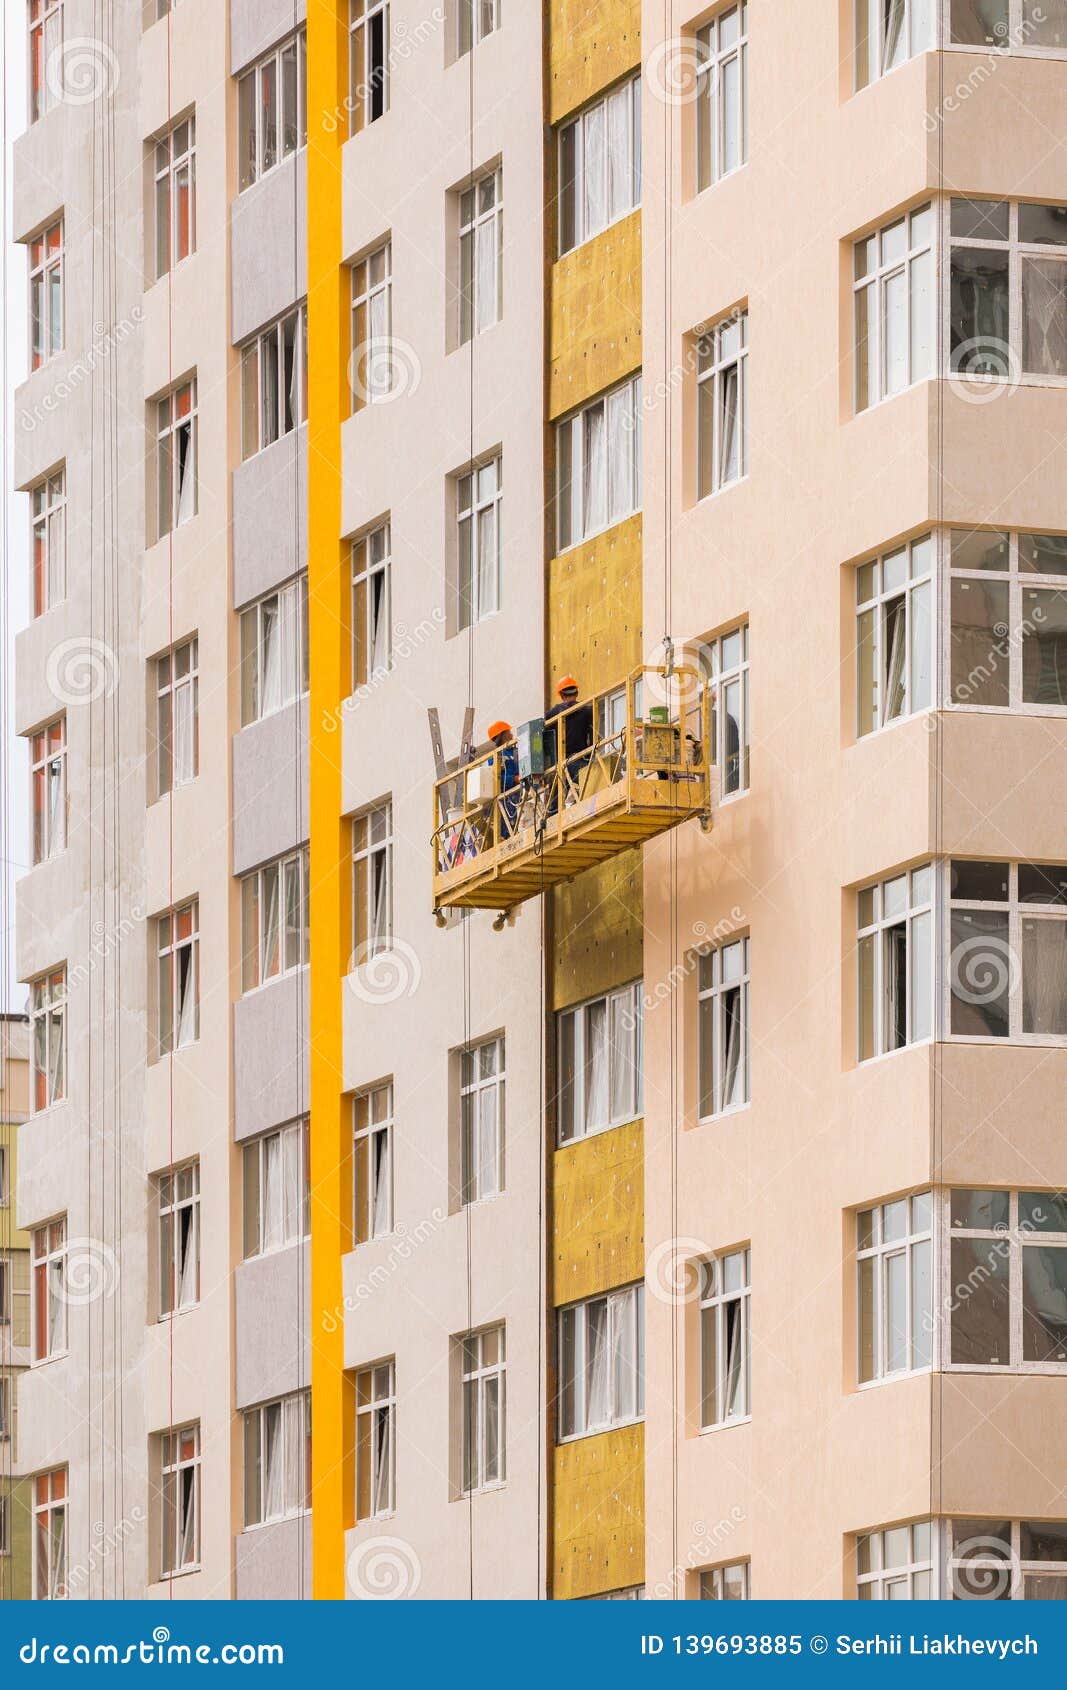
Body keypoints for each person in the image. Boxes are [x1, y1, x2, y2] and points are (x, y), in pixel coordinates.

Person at [544, 676, 594, 805]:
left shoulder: (552, 714)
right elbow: (593, 737)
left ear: (561, 695)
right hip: (580, 759)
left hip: (559, 763)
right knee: (587, 792)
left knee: (555, 802)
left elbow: (544, 739)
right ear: (576, 692)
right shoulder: (587, 710)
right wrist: (590, 756)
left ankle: (551, 815)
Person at [486, 720, 520, 837]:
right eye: (508, 732)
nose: (511, 734)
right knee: (508, 828)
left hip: (519, 793)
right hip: (506, 798)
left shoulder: (515, 752)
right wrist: (514, 779)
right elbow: (495, 779)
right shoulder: (495, 757)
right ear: (502, 735)